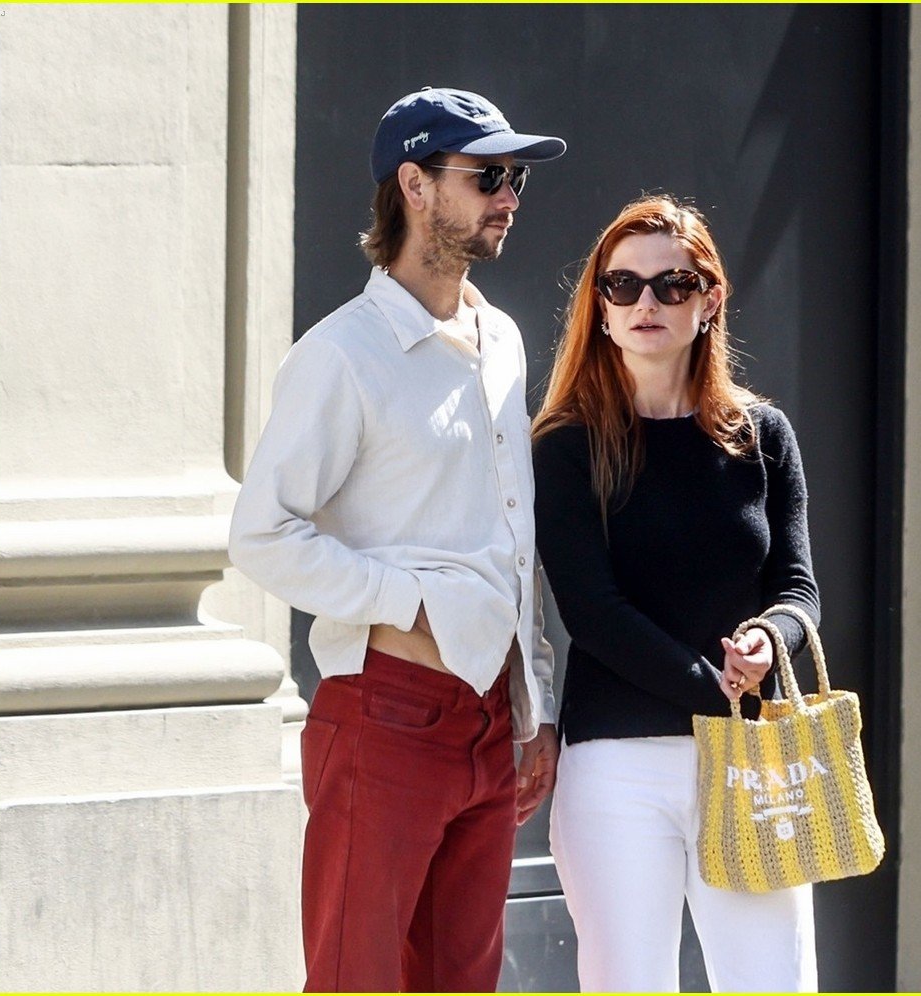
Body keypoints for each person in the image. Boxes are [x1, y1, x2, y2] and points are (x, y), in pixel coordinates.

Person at [228, 87, 565, 993]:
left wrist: (531, 700)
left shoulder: (502, 339)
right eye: (488, 174)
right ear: (414, 185)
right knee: (356, 981)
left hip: (493, 722)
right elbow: (260, 534)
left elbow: (510, 534)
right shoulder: (342, 354)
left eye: (517, 176)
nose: (510, 195)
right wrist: (406, 600)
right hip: (384, 717)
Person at [531, 195, 821, 992]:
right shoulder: (566, 445)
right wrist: (715, 690)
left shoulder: (763, 437)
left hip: (752, 768)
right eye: (621, 287)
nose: (646, 304)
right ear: (601, 306)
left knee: (773, 984)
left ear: (710, 298)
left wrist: (770, 637)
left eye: (671, 284)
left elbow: (797, 589)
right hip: (618, 768)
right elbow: (591, 612)